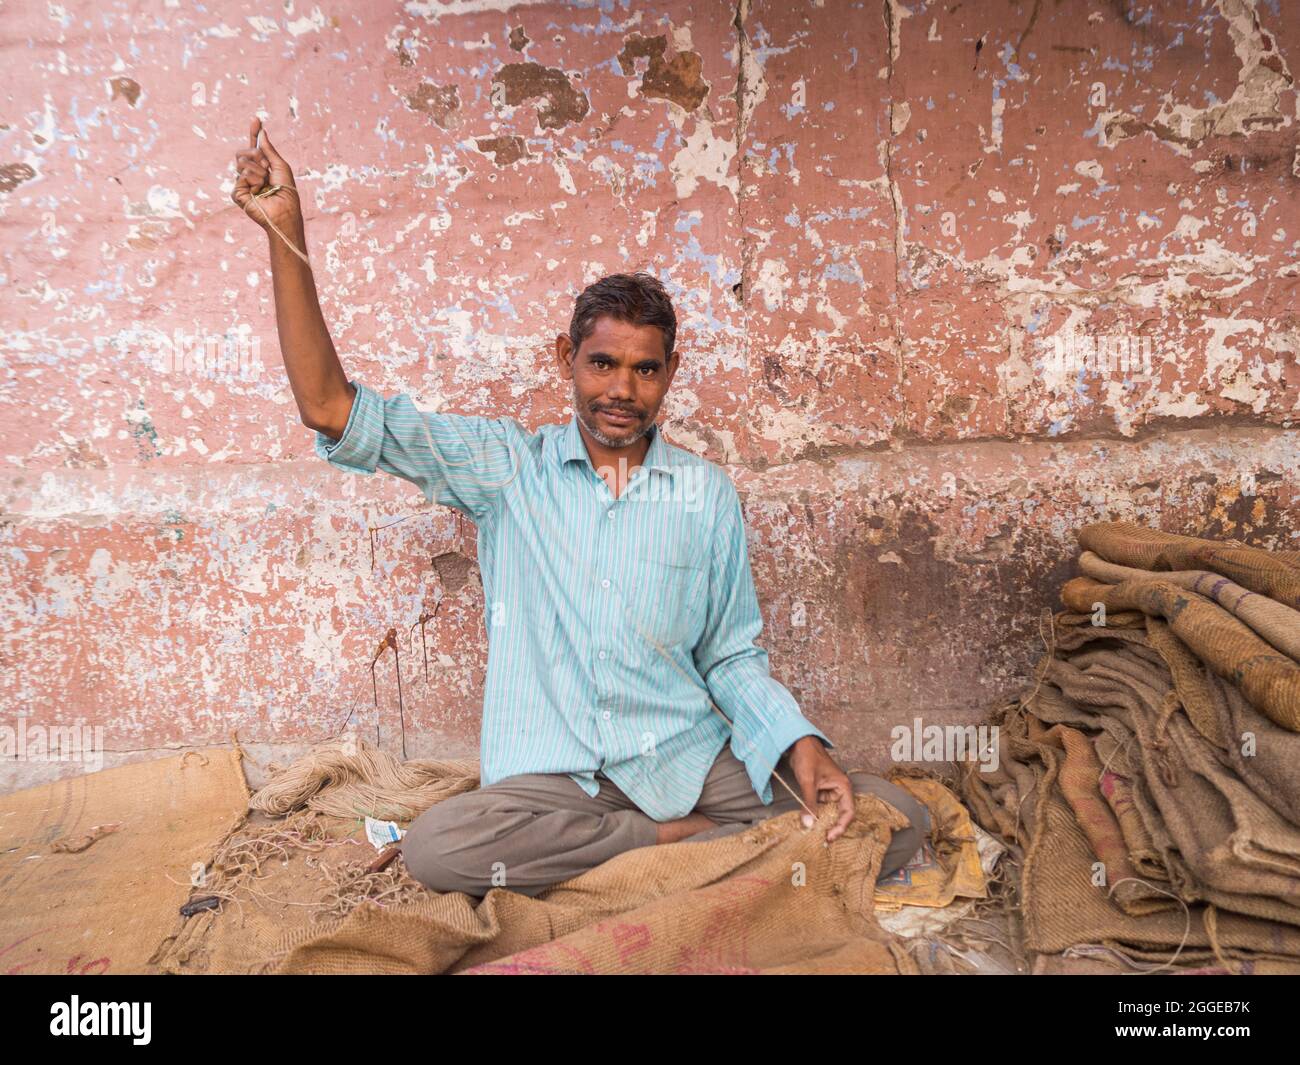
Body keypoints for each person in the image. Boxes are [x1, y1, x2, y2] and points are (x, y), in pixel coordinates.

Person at [231, 117, 930, 899]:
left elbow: (731, 655)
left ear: (670, 373)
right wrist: (286, 231)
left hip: (686, 761)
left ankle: (661, 847)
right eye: (602, 364)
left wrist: (797, 742)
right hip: (556, 782)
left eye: (644, 370)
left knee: (895, 818)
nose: (621, 391)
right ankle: (679, 848)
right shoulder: (505, 470)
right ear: (567, 360)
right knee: (439, 848)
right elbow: (330, 407)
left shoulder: (704, 494)